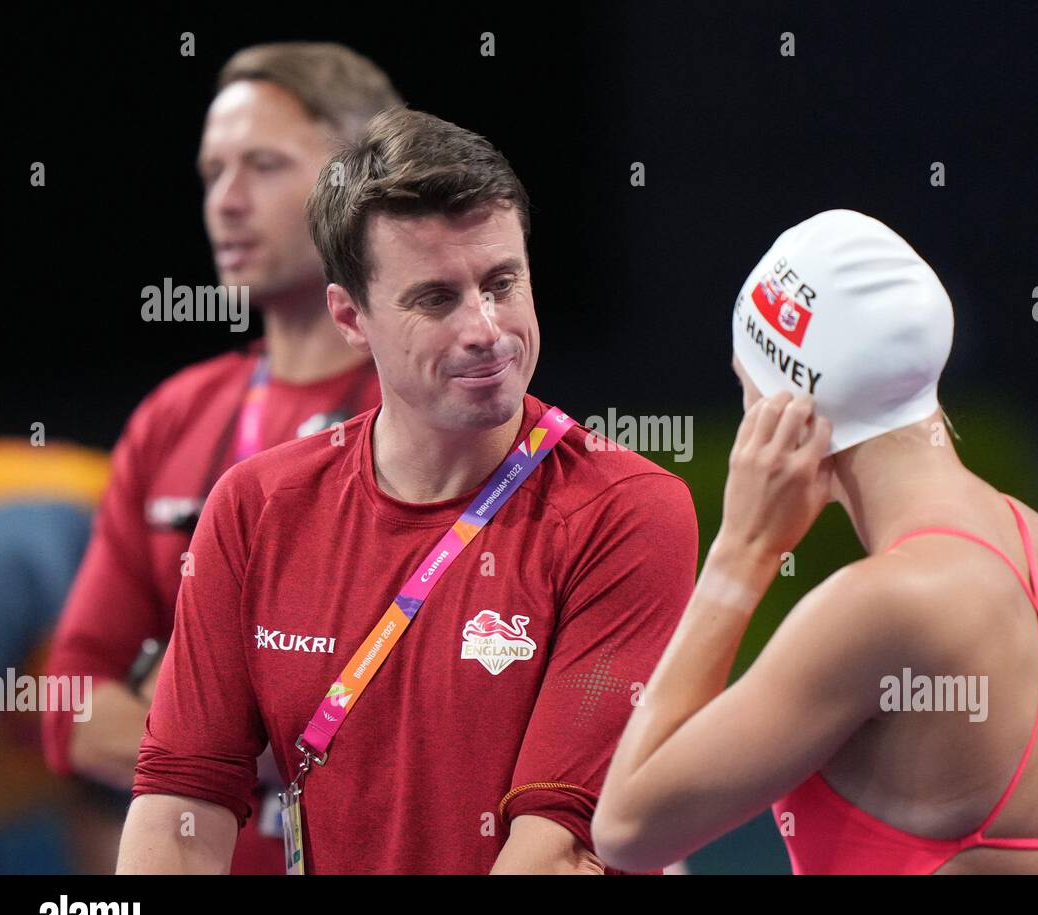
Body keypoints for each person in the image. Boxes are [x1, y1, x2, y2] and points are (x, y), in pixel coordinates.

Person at [115, 108, 699, 874]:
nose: (486, 328)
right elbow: (180, 804)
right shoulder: (256, 509)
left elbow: (556, 849)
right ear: (350, 316)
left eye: (502, 282)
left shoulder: (624, 510)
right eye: (436, 298)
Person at [592, 209, 1038, 874]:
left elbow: (626, 830)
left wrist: (741, 551)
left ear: (783, 405)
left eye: (744, 382)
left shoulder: (887, 606)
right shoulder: (1033, 545)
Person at [42, 43, 399, 874]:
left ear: (363, 181)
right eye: (212, 172)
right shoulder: (175, 417)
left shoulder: (440, 409)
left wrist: (185, 710)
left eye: (264, 166)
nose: (226, 203)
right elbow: (68, 707)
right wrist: (259, 732)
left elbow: (431, 720)